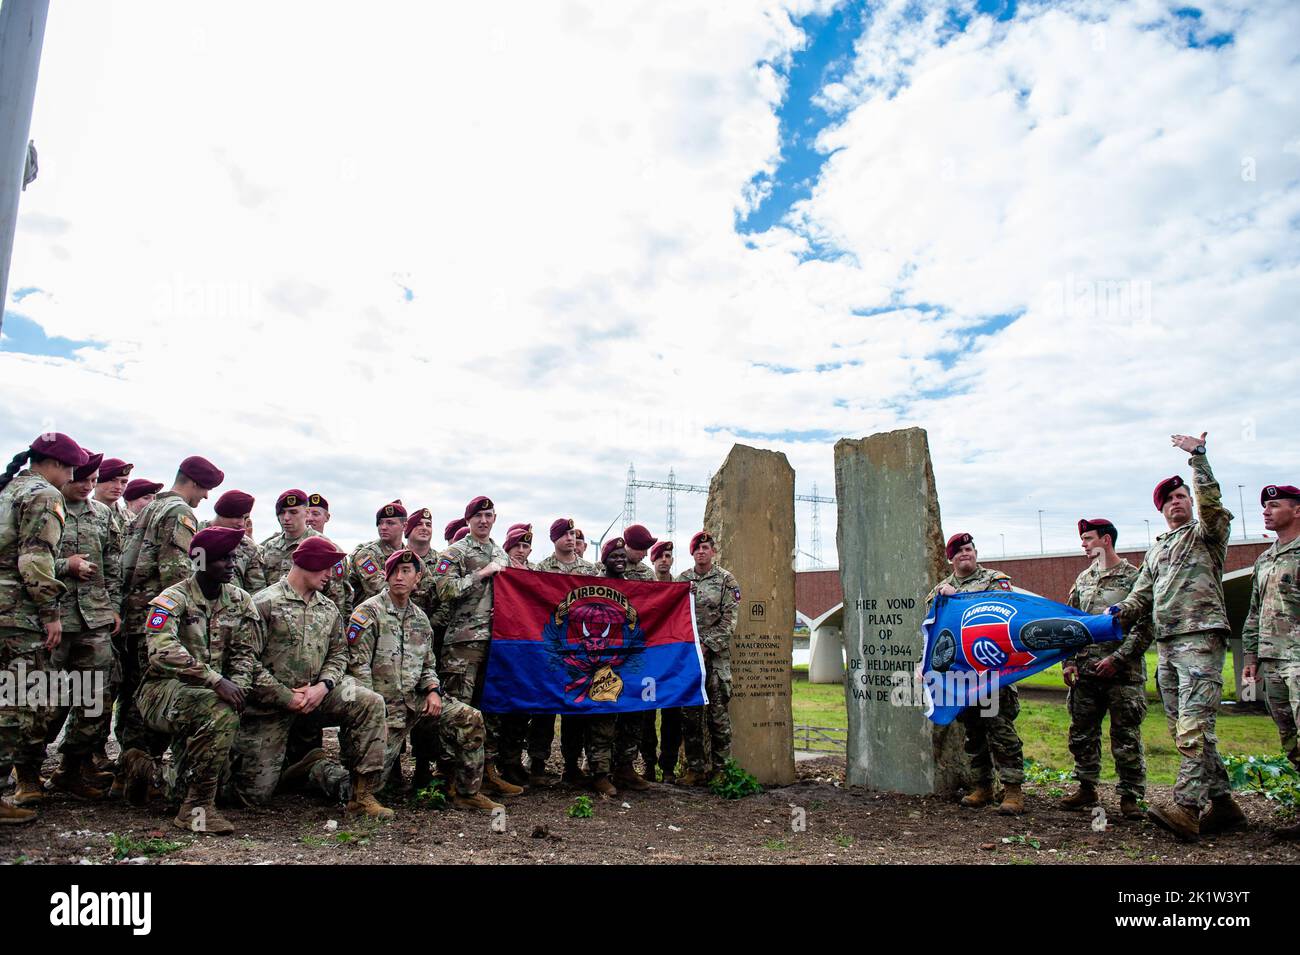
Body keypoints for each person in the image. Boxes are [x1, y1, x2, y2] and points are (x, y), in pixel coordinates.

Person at [1114, 432, 1246, 840]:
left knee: (1192, 725)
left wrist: (1199, 460)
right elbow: (1141, 596)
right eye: (1169, 499)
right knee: (1184, 728)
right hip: (1167, 645)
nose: (1177, 502)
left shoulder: (1206, 533)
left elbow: (1211, 505)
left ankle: (1187, 809)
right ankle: (1224, 806)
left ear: (1190, 500)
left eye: (1181, 496)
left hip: (1202, 638)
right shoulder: (1156, 551)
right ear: (1161, 509)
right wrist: (1115, 613)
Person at [226, 536, 390, 817]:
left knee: (368, 701)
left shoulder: (328, 609)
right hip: (270, 705)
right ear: (307, 564)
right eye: (325, 567)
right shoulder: (264, 603)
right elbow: (245, 662)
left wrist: (323, 687)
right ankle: (302, 770)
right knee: (252, 797)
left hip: (316, 697)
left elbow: (339, 655)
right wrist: (286, 696)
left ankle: (362, 794)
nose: (330, 575)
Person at [348, 549, 502, 812]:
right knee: (364, 783)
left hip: (416, 700)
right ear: (385, 575)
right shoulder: (368, 613)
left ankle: (467, 791)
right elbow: (357, 667)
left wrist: (432, 690)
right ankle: (336, 782)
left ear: (417, 578)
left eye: (406, 571)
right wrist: (374, 711)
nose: (399, 577)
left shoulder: (420, 620)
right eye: (394, 571)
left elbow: (428, 664)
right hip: (384, 708)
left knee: (469, 718)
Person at [132, 526, 258, 834]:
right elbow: (161, 651)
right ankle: (197, 810)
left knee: (223, 781)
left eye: (233, 557)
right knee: (219, 711)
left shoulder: (240, 600)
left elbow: (246, 654)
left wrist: (239, 689)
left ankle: (145, 771)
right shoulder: (172, 599)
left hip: (211, 698)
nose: (231, 564)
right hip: (162, 692)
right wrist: (215, 680)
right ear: (200, 561)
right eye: (222, 559)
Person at [117, 455, 224, 787]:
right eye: (204, 489)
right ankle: (139, 764)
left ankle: (128, 765)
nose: (205, 497)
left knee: (134, 691)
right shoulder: (179, 512)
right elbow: (177, 573)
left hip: (135, 617)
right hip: (158, 621)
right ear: (191, 482)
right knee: (154, 691)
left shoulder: (149, 508)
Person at [0, 433, 88, 824]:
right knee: (13, 705)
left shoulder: (8, 489)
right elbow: (34, 560)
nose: (70, 477)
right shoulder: (43, 495)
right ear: (55, 465)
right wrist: (51, 612)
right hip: (16, 615)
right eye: (70, 469)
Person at [924, 532, 1025, 814]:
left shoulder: (995, 579)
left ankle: (1013, 790)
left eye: (968, 549)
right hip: (963, 676)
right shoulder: (939, 590)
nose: (965, 554)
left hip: (994, 672)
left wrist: (960, 598)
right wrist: (925, 666)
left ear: (975, 552)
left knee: (1001, 731)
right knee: (974, 733)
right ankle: (982, 787)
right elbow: (931, 633)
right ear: (951, 559)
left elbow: (1006, 610)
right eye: (959, 552)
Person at [1059, 518, 1151, 819]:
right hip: (1086, 672)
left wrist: (1118, 659)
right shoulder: (1083, 579)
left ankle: (1130, 796)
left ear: (1106, 540)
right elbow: (1070, 623)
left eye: (1088, 539)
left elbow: (1146, 625)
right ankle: (1087, 788)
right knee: (1082, 733)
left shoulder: (1134, 578)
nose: (1084, 545)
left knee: (1126, 736)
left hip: (1122, 673)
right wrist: (1069, 661)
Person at [432, 495, 522, 798]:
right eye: (478, 516)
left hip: (497, 642)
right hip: (463, 642)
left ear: (494, 519)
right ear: (468, 520)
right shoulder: (455, 552)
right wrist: (480, 574)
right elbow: (443, 589)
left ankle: (485, 771)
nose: (483, 521)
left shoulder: (501, 553)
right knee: (459, 708)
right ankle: (449, 776)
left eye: (489, 515)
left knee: (490, 708)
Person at [48, 451, 121, 800]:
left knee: (94, 699)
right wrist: (66, 566)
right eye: (82, 480)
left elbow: (113, 563)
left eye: (93, 482)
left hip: (94, 618)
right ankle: (26, 773)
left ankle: (71, 769)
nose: (88, 488)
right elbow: (27, 559)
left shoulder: (102, 515)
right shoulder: (47, 507)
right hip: (53, 617)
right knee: (38, 695)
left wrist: (115, 607)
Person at [1241, 484, 1300, 839]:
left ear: (1297, 511)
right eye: (1264, 506)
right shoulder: (1265, 558)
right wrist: (1250, 657)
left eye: (1274, 505)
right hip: (1273, 661)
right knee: (1291, 741)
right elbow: (1253, 612)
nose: (1266, 510)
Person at [532, 517, 598, 786]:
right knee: (543, 709)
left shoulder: (590, 570)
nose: (571, 538)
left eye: (573, 533)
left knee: (576, 710)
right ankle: (537, 764)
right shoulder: (541, 568)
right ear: (554, 539)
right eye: (565, 534)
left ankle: (571, 766)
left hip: (580, 651)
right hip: (551, 650)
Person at [676, 531, 739, 787]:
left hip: (715, 659)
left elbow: (729, 620)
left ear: (713, 551)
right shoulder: (683, 580)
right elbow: (674, 617)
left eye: (705, 547)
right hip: (689, 660)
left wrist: (706, 644)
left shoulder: (726, 580)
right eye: (697, 548)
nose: (701, 552)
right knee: (690, 717)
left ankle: (722, 769)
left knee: (718, 716)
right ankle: (695, 769)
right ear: (692, 553)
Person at [598, 538, 651, 795]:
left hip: (630, 661)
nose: (619, 559)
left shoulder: (636, 587)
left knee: (633, 715)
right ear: (604, 559)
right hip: (601, 662)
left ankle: (625, 767)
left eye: (622, 555)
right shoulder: (592, 584)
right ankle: (599, 772)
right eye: (614, 556)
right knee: (603, 716)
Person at [641, 539, 682, 783]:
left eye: (668, 556)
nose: (664, 560)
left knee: (672, 718)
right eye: (660, 557)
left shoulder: (681, 588)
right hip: (648, 663)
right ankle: (648, 764)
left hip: (673, 662)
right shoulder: (644, 587)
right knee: (646, 717)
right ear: (652, 560)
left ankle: (668, 766)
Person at [346, 500, 407, 614]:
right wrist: (411, 585)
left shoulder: (409, 556)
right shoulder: (366, 554)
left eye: (390, 523)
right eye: (380, 523)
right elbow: (381, 590)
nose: (383, 527)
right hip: (371, 618)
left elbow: (427, 591)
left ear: (404, 526)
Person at [208, 490, 265, 594]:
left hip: (235, 607)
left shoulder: (249, 547)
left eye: (245, 518)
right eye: (238, 517)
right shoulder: (195, 536)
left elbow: (257, 591)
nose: (242, 523)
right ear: (223, 512)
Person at [92, 457, 133, 538]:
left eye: (124, 482)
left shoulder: (133, 519)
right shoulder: (76, 513)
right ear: (96, 481)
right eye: (112, 480)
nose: (118, 487)